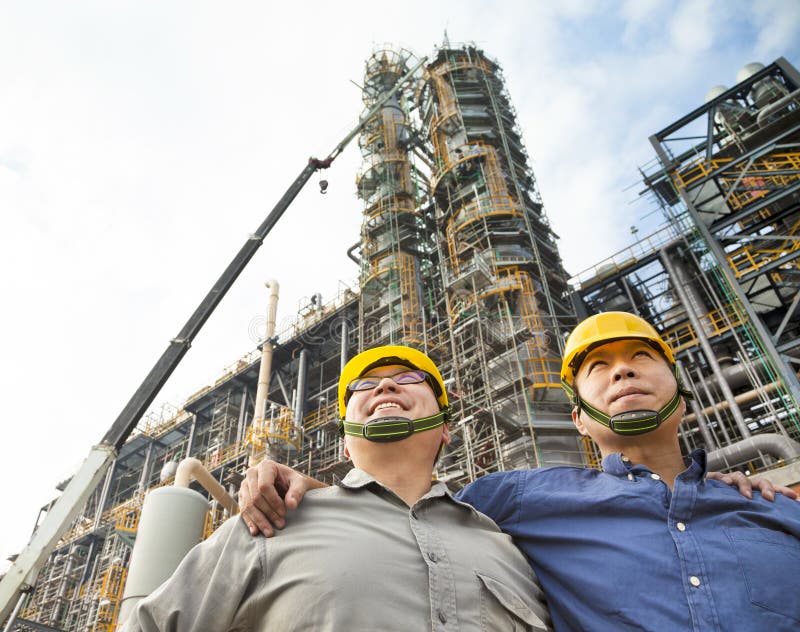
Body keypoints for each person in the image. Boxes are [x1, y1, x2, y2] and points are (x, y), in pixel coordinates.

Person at [240, 313, 800, 631]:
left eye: (642, 358)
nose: (623, 371)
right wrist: (316, 496)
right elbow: (412, 512)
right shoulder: (523, 499)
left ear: (681, 396)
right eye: (599, 367)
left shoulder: (773, 508)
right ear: (578, 420)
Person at [121, 345, 551, 631]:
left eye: (409, 378)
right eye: (364, 385)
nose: (385, 385)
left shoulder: (508, 552)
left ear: (445, 429)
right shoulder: (272, 523)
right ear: (345, 443)